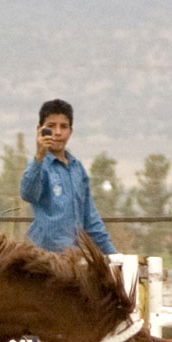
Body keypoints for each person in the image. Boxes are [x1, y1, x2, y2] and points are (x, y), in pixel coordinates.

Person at [19, 99, 116, 255]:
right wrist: (39, 156)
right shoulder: (39, 165)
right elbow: (27, 194)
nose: (57, 132)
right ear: (40, 130)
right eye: (51, 127)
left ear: (70, 131)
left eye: (63, 127)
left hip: (73, 257)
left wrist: (114, 256)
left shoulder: (77, 169)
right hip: (42, 257)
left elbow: (91, 220)